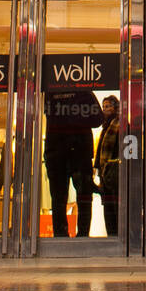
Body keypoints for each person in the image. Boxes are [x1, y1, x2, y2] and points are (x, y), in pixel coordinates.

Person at [43, 88, 102, 237]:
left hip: (56, 151)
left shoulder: (51, 91)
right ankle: (82, 236)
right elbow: (98, 119)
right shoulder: (83, 91)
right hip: (79, 150)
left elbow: (49, 116)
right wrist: (79, 117)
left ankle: (61, 236)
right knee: (83, 197)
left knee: (59, 198)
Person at [94, 95, 120, 237]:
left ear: (115, 107)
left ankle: (117, 236)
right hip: (105, 174)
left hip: (115, 173)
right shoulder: (105, 126)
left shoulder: (120, 124)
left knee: (116, 207)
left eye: (108, 106)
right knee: (108, 208)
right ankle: (112, 236)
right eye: (104, 107)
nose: (105, 109)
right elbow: (100, 152)